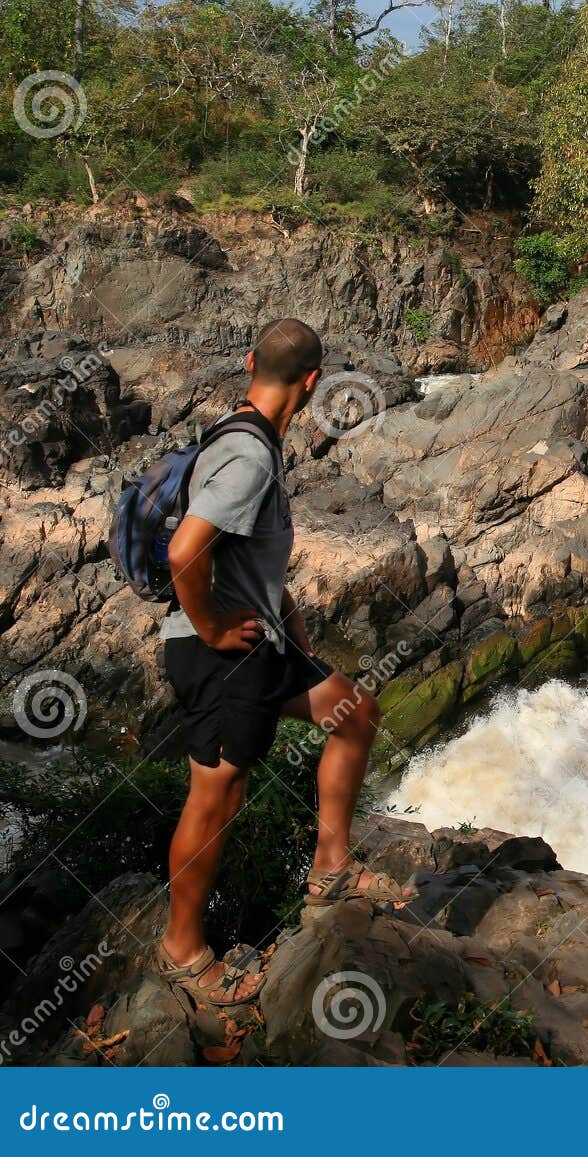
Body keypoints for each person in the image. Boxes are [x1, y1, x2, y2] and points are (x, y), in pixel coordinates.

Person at [155, 319, 414, 1013]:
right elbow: (185, 553)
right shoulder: (249, 457)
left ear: (248, 364)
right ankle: (182, 949)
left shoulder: (241, 436)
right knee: (217, 802)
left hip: (262, 642)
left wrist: (286, 615)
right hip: (220, 655)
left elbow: (241, 551)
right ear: (312, 383)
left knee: (354, 713)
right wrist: (211, 624)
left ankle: (330, 867)